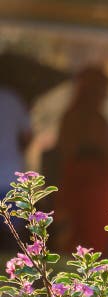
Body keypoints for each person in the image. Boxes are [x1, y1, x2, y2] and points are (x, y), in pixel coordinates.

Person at [55, 66, 108, 255]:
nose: (104, 97)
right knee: (89, 242)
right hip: (90, 190)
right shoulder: (90, 118)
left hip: (80, 187)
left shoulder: (70, 116)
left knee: (75, 240)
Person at [0, 86, 33, 250]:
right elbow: (27, 136)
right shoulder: (14, 100)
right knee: (13, 230)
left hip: (9, 173)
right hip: (10, 174)